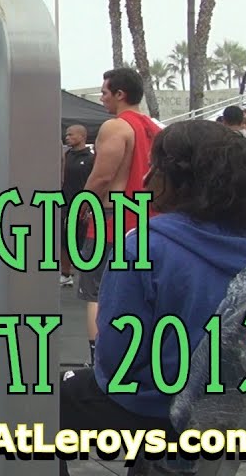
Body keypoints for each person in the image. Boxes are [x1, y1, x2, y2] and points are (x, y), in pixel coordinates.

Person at [58, 119, 246, 475]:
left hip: (156, 408)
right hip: (239, 410)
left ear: (180, 180)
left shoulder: (146, 244)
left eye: (155, 168)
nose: (147, 179)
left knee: (35, 403)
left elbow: (117, 360)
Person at [80, 67, 162, 367]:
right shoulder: (155, 128)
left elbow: (102, 177)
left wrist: (82, 207)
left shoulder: (116, 128)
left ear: (120, 94)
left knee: (96, 294)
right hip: (146, 224)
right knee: (136, 297)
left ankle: (97, 363)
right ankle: (136, 362)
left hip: (112, 223)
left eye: (104, 92)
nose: (101, 98)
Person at [61, 124, 95, 287]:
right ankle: (65, 274)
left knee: (82, 241)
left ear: (82, 136)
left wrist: (88, 207)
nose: (67, 137)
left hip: (83, 205)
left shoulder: (90, 158)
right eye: (66, 135)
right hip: (65, 204)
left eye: (71, 135)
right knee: (64, 240)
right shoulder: (66, 155)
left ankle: (89, 276)